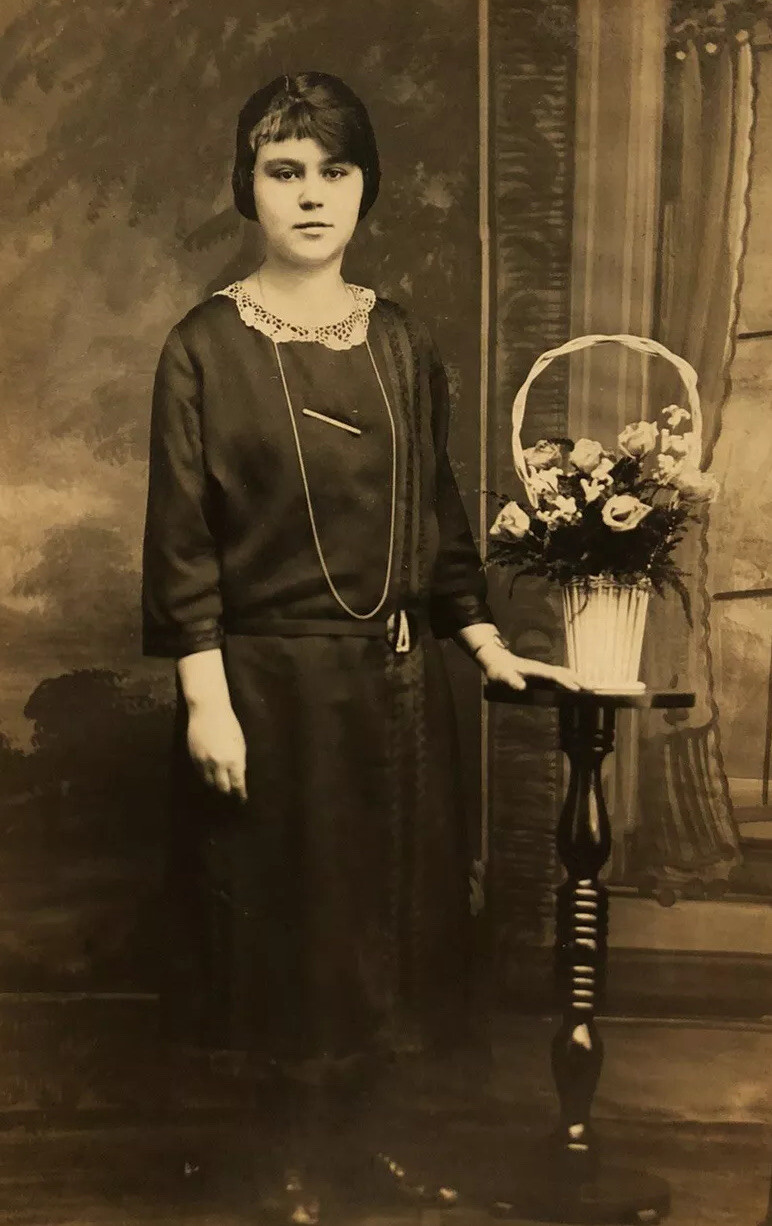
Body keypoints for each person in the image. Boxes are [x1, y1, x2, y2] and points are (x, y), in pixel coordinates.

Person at [142, 71, 578, 1224]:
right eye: (285, 171)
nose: (312, 196)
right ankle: (289, 1162)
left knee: (392, 927)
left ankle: (367, 1149)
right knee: (293, 925)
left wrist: (479, 640)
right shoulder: (202, 347)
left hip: (395, 685)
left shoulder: (400, 341)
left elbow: (436, 519)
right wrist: (205, 698)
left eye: (335, 171)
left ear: (365, 186)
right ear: (248, 185)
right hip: (270, 687)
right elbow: (181, 544)